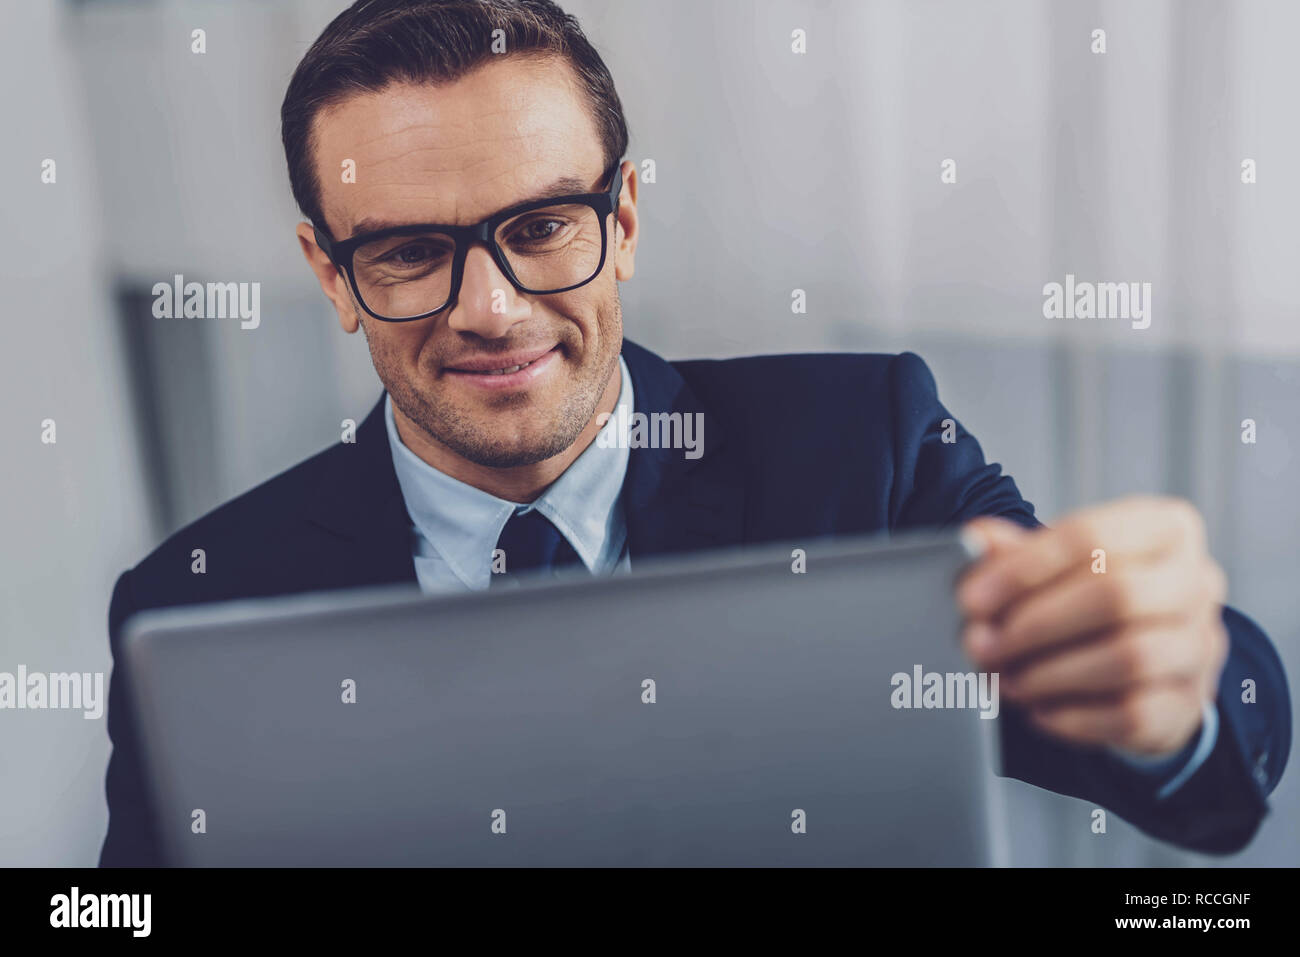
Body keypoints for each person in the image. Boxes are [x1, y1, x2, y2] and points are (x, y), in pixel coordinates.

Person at [100, 0, 1289, 866]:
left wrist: (1174, 696)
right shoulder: (197, 598)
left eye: (543, 225)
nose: (490, 307)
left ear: (621, 217)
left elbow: (1209, 782)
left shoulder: (857, 450)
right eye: (408, 251)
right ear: (329, 270)